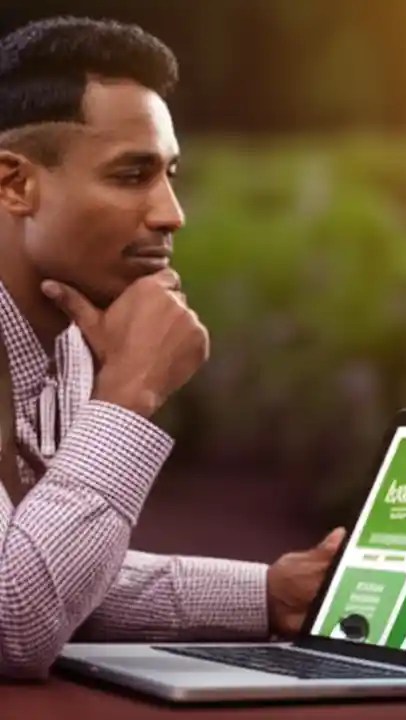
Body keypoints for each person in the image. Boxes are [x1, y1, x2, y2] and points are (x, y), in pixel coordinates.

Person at [0, 16, 346, 679]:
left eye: (169, 174)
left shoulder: (69, 342)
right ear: (16, 184)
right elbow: (15, 623)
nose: (171, 213)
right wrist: (129, 391)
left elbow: (47, 571)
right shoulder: (105, 354)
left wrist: (269, 595)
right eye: (132, 175)